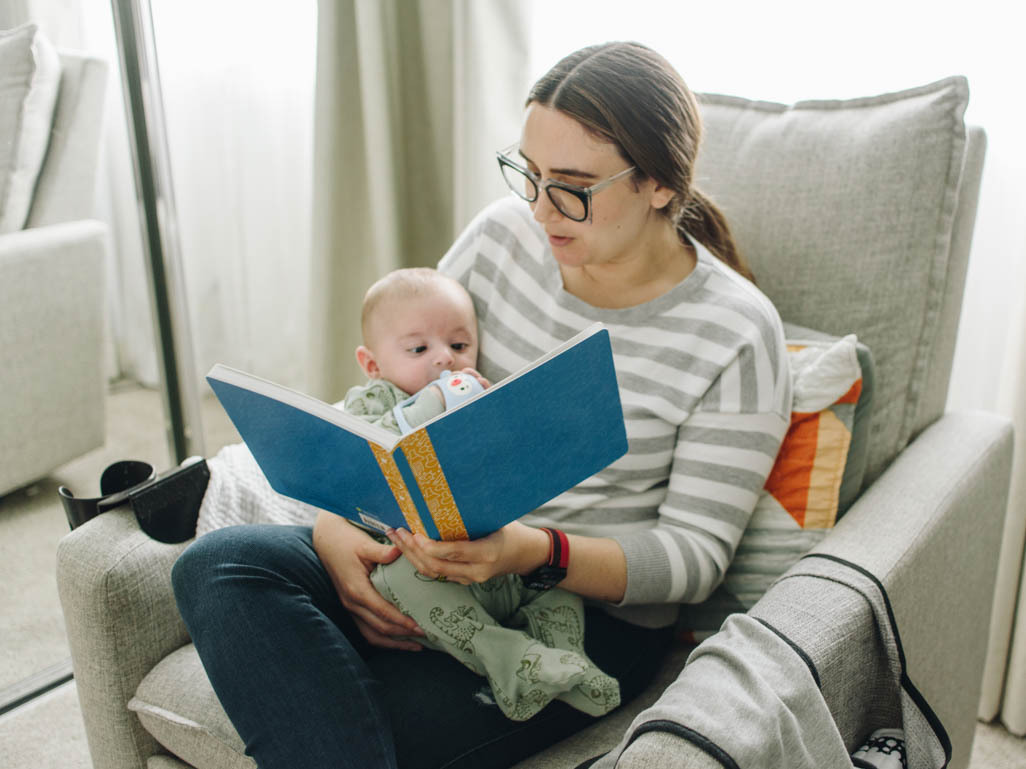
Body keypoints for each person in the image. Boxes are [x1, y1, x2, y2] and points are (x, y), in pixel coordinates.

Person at [172, 41, 792, 769]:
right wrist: (337, 526)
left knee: (364, 720)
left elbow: (693, 559)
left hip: (574, 617)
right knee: (217, 567)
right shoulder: (502, 238)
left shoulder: (736, 332)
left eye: (572, 188)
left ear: (657, 184)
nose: (540, 209)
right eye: (529, 174)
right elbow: (400, 394)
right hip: (421, 554)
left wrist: (533, 551)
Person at [348, 266, 622, 721]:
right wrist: (426, 408)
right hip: (421, 565)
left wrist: (497, 418)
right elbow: (359, 459)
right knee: (402, 581)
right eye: (419, 349)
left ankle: (567, 661)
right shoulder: (373, 401)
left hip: (500, 561)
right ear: (373, 364)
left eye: (459, 346)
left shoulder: (478, 395)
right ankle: (511, 660)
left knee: (559, 588)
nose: (445, 360)